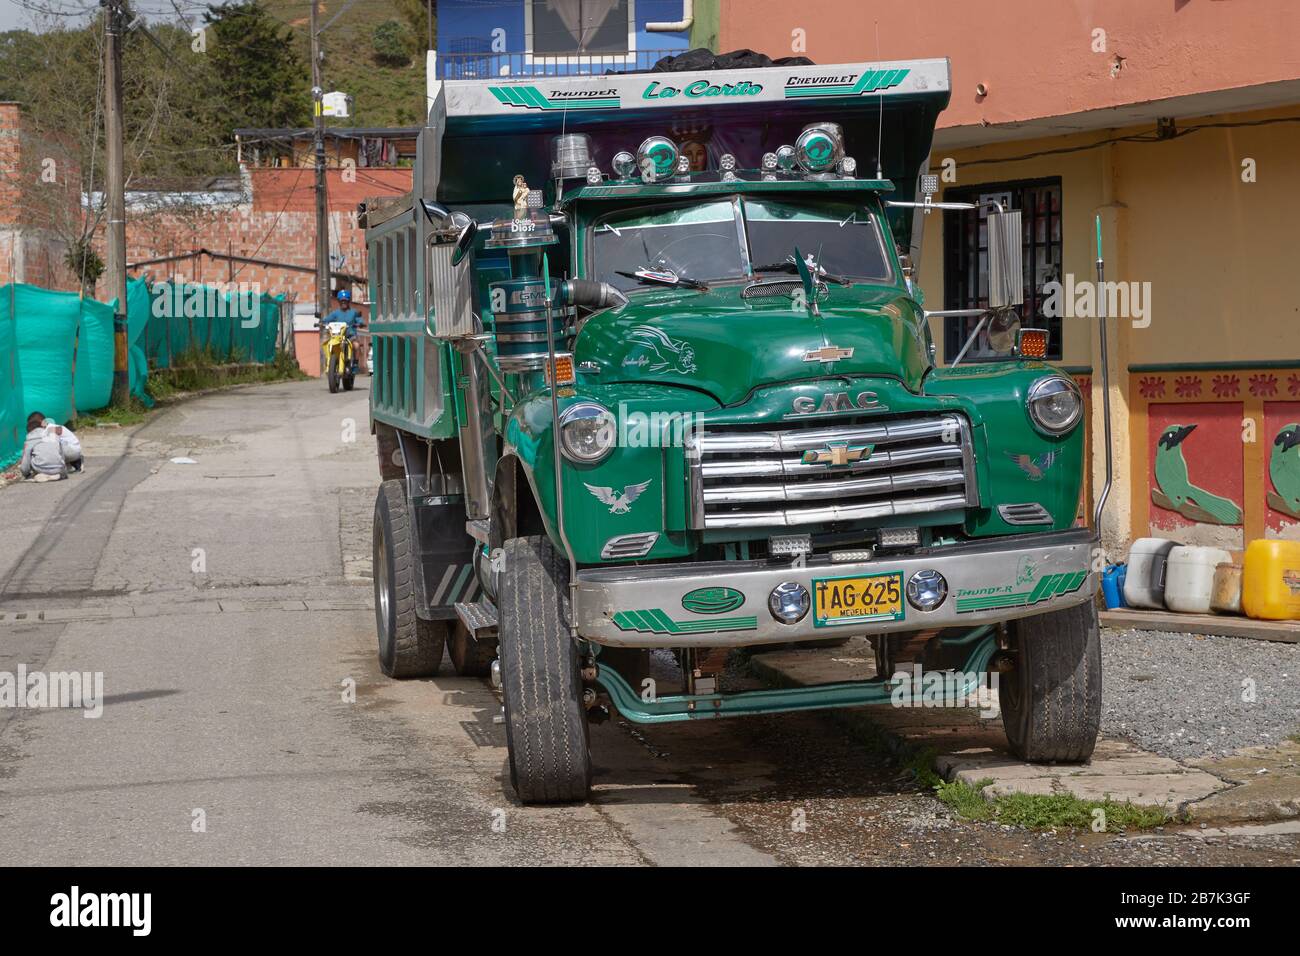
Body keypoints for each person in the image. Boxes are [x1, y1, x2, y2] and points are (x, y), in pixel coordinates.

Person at [324, 288, 365, 373]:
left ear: (348, 302)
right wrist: (321, 322)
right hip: (337, 337)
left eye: (345, 301)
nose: (343, 303)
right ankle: (330, 363)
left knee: (356, 346)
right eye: (342, 301)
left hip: (350, 336)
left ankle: (355, 365)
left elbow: (359, 319)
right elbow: (326, 319)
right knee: (328, 345)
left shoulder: (353, 312)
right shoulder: (335, 313)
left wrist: (360, 323)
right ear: (339, 302)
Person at [19, 410, 67, 481]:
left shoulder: (29, 440)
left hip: (42, 469)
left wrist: (26, 474)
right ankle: (56, 475)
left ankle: (43, 474)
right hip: (60, 469)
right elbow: (62, 454)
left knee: (30, 455)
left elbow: (24, 467)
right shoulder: (52, 434)